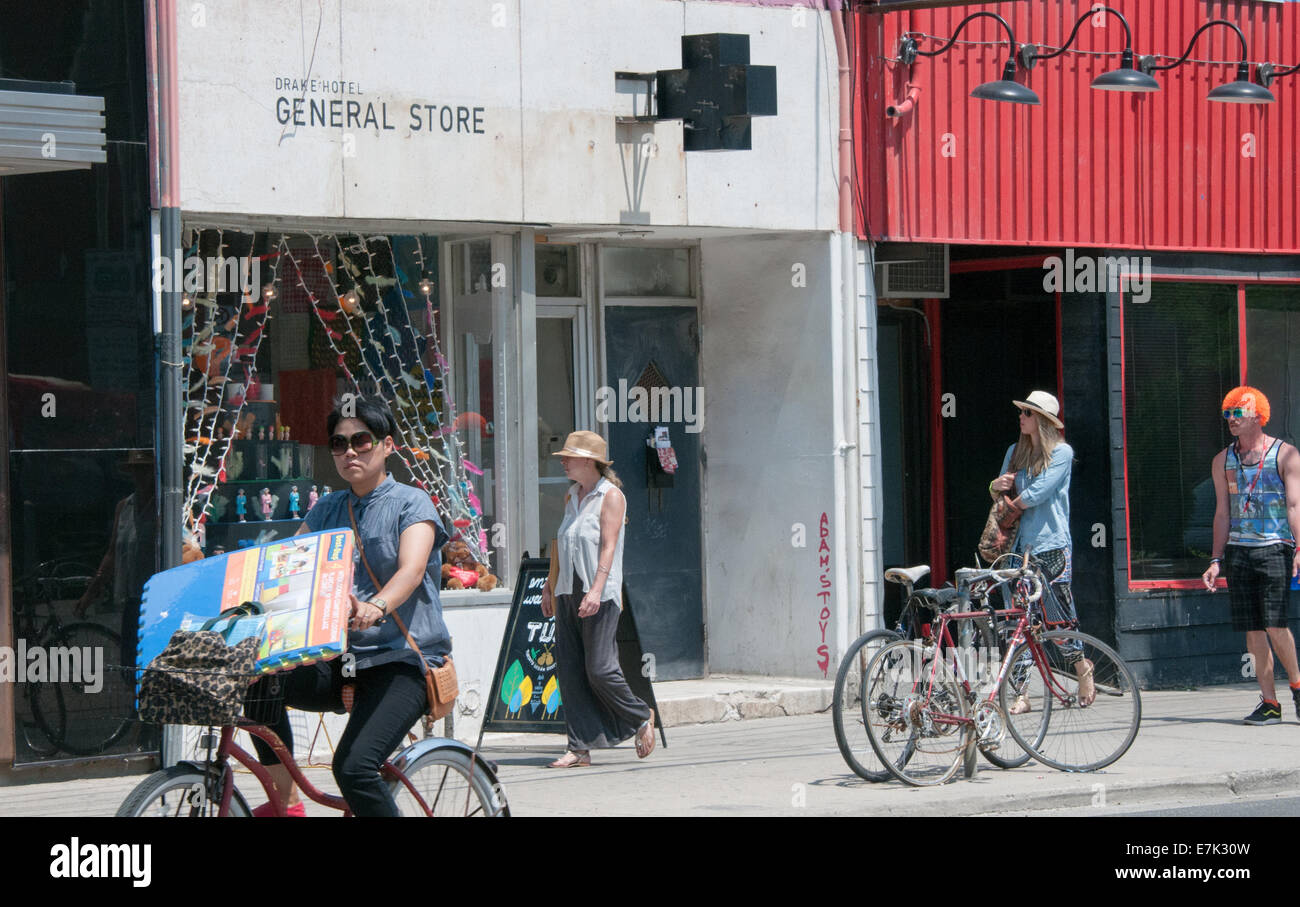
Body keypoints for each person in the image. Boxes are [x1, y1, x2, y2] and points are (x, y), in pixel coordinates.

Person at [247, 394, 451, 815]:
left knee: (353, 767)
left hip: (402, 663)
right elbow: (289, 567)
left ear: (387, 445)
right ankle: (287, 805)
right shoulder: (327, 508)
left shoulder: (412, 503)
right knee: (256, 685)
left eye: (361, 440)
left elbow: (411, 573)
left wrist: (374, 607)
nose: (350, 451)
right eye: (339, 444)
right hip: (341, 660)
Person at [540, 430, 655, 767]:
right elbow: (561, 545)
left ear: (589, 461)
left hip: (599, 593)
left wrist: (595, 589)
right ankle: (578, 748)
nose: (562, 461)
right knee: (571, 670)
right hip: (567, 590)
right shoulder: (571, 496)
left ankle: (640, 715)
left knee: (600, 669)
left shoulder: (611, 496)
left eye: (568, 457)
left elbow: (609, 545)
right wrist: (550, 586)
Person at [1201, 386, 1300, 725]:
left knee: (1275, 623)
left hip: (1275, 546)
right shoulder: (1223, 460)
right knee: (1253, 628)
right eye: (1228, 413)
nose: (1231, 419)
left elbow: (1294, 505)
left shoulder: (1285, 454)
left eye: (1237, 413)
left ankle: (1298, 688)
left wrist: (1299, 547)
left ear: (1258, 415)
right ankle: (1269, 702)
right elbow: (1222, 513)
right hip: (1239, 551)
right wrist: (1215, 559)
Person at [989, 390, 1093, 708]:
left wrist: (1011, 503)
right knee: (1018, 621)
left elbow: (1039, 492)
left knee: (1058, 619)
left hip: (1051, 546)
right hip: (1018, 548)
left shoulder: (1061, 453)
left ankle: (1081, 668)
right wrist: (995, 487)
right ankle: (1022, 692)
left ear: (1043, 421)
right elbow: (998, 491)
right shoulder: (1014, 451)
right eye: (1021, 412)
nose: (1021, 417)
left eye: (1028, 413)